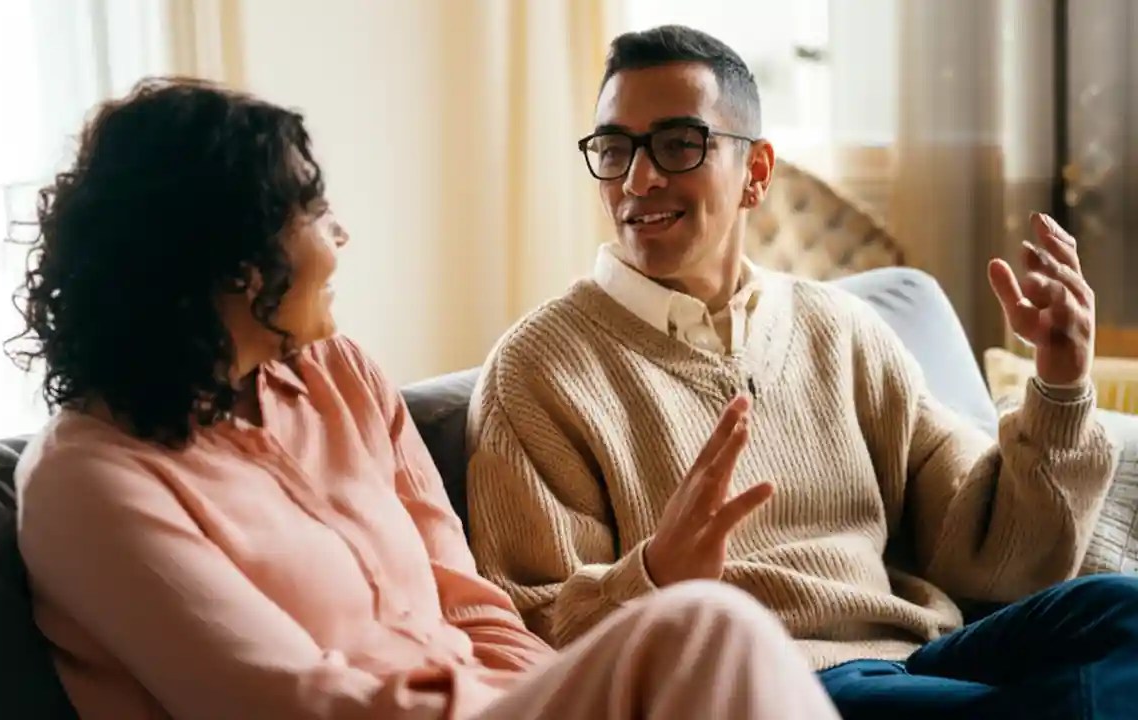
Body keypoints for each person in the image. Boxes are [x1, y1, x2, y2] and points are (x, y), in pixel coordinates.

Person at [7, 77, 838, 720]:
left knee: (706, 640)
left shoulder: (342, 380)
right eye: (313, 211)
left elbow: (474, 610)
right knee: (705, 628)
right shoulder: (89, 480)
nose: (340, 238)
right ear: (234, 260)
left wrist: (557, 697)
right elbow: (282, 704)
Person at [466, 24, 1138, 719]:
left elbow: (997, 556)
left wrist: (1060, 386)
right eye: (614, 149)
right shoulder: (536, 371)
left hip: (916, 655)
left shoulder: (841, 328)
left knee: (1123, 611)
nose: (638, 178)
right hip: (769, 685)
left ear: (756, 171)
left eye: (677, 144)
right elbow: (532, 630)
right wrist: (655, 574)